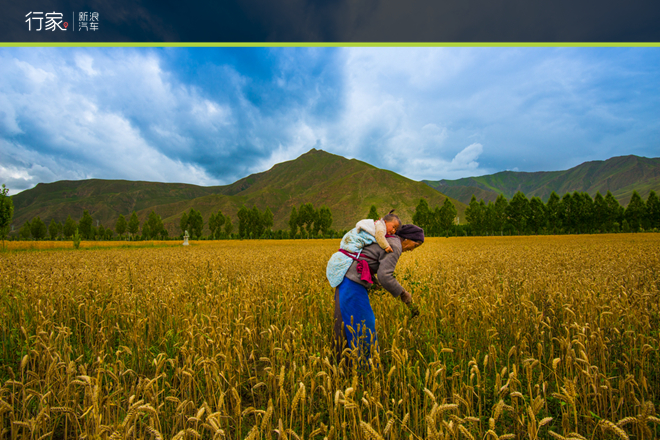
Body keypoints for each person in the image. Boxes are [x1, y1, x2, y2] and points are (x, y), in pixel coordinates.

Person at [328, 224, 425, 366]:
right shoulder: (395, 246)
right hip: (352, 282)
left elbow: (367, 258)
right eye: (414, 245)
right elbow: (386, 276)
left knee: (344, 323)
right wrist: (404, 295)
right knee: (364, 325)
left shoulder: (388, 240)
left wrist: (373, 280)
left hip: (345, 276)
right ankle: (365, 370)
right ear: (406, 239)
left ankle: (340, 367)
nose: (412, 250)